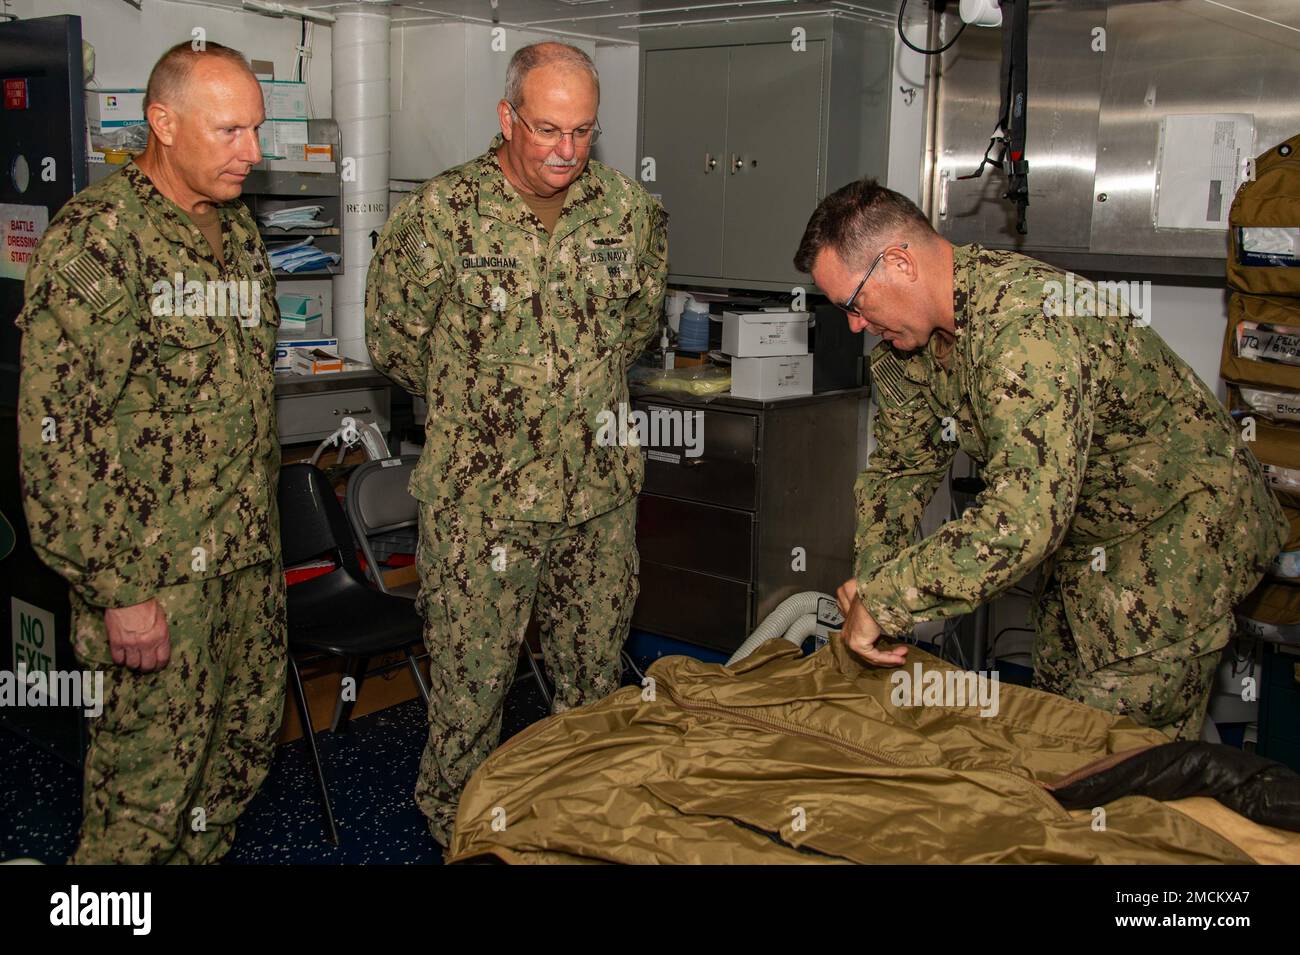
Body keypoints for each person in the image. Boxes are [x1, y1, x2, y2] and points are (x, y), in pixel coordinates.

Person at [795, 178, 1285, 741]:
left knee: (1116, 746)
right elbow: (899, 472)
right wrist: (875, 580)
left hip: (1181, 530)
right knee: (1056, 719)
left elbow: (1023, 519)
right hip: (1087, 537)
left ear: (900, 263)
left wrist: (887, 600)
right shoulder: (914, 345)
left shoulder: (1027, 328)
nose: (855, 324)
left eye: (854, 304)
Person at [366, 41, 668, 846]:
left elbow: (637, 327)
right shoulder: (440, 215)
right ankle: (460, 836)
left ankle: (575, 836)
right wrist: (487, 404)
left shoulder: (629, 214)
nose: (566, 150)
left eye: (583, 132)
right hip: (481, 505)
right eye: (546, 129)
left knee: (594, 691)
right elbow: (393, 341)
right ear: (506, 118)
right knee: (470, 695)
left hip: (597, 500)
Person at [17, 41, 284, 862]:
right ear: (162, 124)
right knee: (141, 806)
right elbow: (58, 439)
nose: (254, 152)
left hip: (244, 567)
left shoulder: (236, 233)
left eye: (257, 130)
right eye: (231, 131)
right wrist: (120, 590)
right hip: (155, 582)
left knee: (231, 770)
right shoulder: (98, 243)